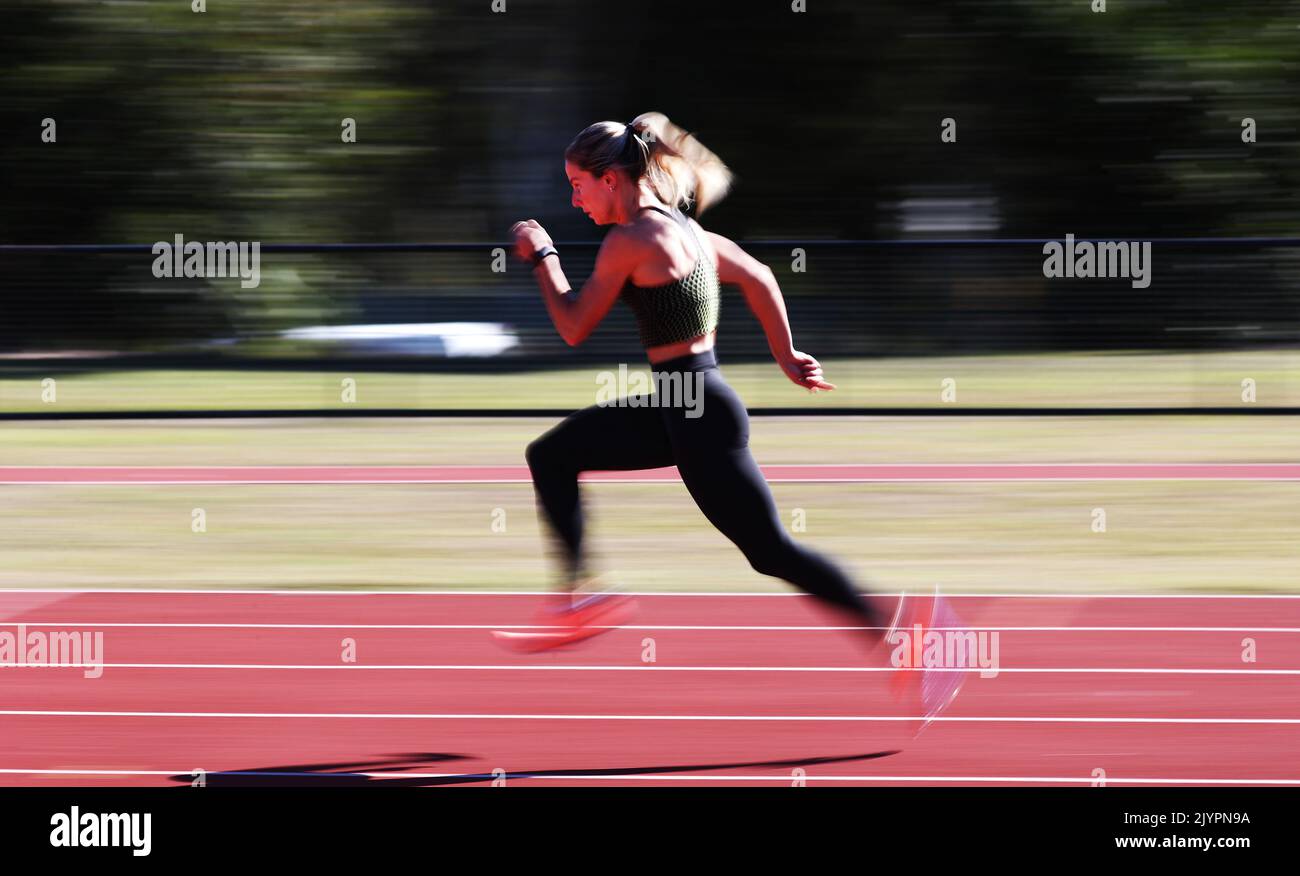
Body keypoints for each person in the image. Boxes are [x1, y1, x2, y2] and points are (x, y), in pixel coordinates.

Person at [506, 112, 962, 721]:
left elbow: (571, 326)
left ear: (611, 179)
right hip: (684, 403)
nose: (574, 198)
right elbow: (760, 274)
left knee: (771, 551)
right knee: (553, 454)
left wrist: (543, 255)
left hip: (696, 412)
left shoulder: (632, 240)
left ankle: (915, 639)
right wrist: (786, 354)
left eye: (578, 184)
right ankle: (581, 599)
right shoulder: (687, 231)